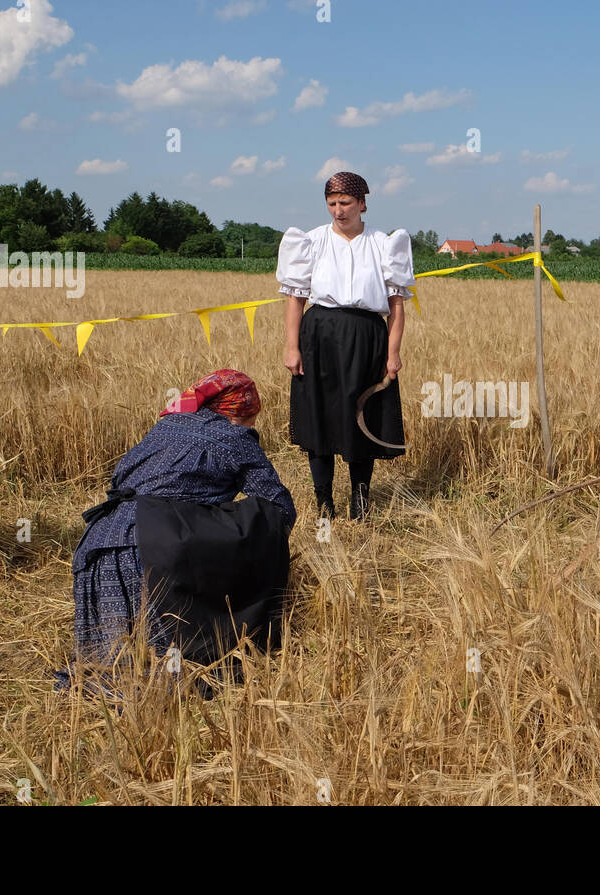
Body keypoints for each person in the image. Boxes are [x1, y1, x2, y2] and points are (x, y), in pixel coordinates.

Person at [61, 369, 296, 688]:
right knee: (173, 674)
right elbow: (280, 509)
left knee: (108, 668)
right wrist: (237, 541)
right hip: (159, 545)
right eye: (252, 417)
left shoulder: (168, 424)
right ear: (239, 412)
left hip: (100, 540)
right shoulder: (236, 438)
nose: (254, 425)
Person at [277, 171, 414, 520]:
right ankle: (324, 503)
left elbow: (396, 306)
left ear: (363, 204)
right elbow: (296, 300)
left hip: (367, 338)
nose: (338, 211)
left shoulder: (384, 244)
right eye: (332, 204)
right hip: (319, 336)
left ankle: (360, 502)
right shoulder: (310, 242)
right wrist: (291, 347)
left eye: (346, 203)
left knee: (361, 417)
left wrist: (393, 353)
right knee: (317, 417)